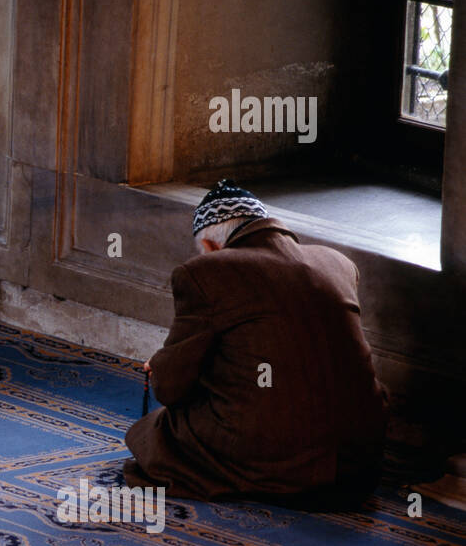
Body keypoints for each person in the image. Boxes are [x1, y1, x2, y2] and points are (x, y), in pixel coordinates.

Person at [124, 180, 388, 508]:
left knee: (156, 433)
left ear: (209, 245)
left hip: (279, 453)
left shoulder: (207, 271)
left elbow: (171, 387)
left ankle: (276, 477)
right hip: (361, 456)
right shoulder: (337, 262)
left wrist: (160, 368)